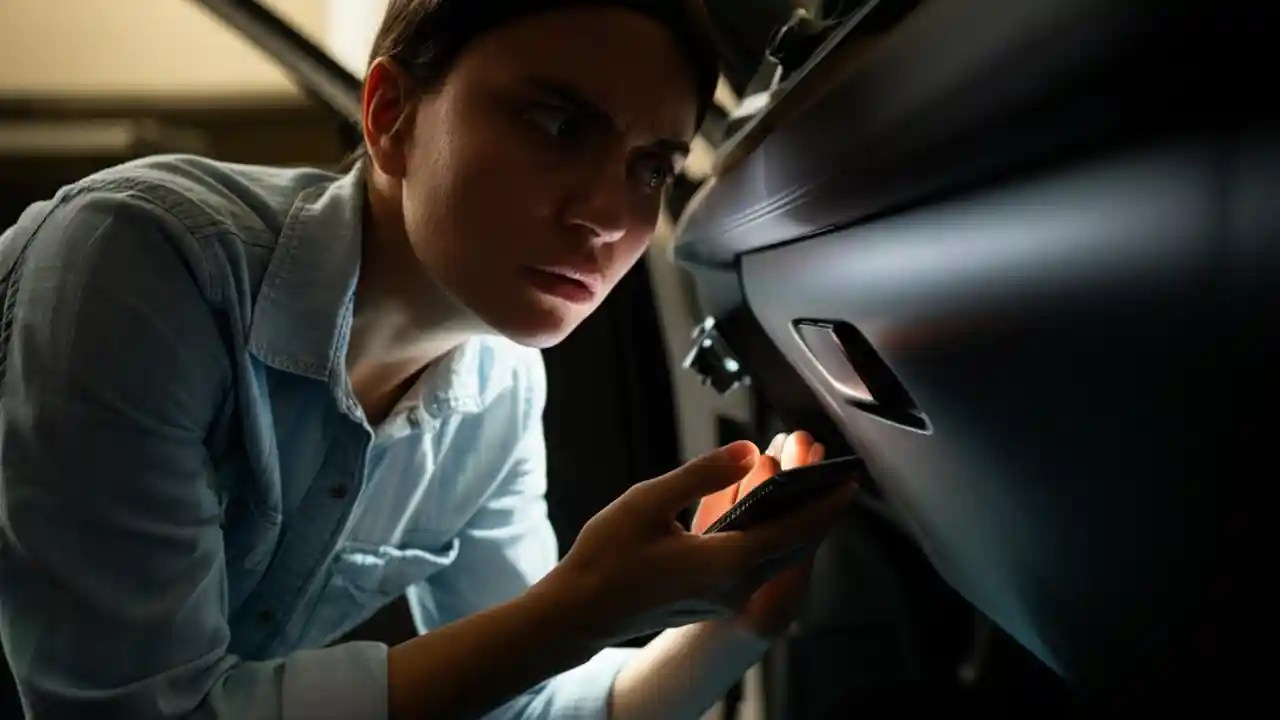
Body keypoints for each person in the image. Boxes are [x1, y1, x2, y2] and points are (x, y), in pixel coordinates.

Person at [0, 1, 858, 718]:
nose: (606, 215)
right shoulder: (147, 266)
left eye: (651, 170)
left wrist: (734, 626)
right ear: (391, 116)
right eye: (558, 125)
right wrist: (579, 607)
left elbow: (521, 701)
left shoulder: (498, 391)